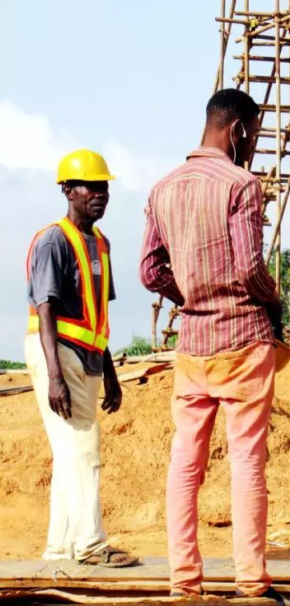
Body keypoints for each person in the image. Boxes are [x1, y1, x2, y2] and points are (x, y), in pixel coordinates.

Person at [140, 88, 289, 602]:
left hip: (192, 345)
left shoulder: (162, 189)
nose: (254, 146)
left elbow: (149, 271)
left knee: (186, 463)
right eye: (255, 134)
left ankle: (184, 582)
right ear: (239, 130)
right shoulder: (241, 184)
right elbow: (249, 267)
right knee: (247, 459)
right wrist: (274, 302)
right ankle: (251, 582)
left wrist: (192, 293)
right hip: (243, 338)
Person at [25, 149, 138, 568]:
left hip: (87, 355)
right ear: (68, 191)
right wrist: (54, 375)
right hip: (56, 352)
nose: (100, 194)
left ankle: (60, 547)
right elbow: (47, 308)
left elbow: (98, 313)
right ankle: (91, 545)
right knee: (84, 448)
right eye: (91, 186)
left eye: (104, 187)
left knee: (70, 453)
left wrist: (109, 372)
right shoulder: (54, 240)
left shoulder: (101, 244)